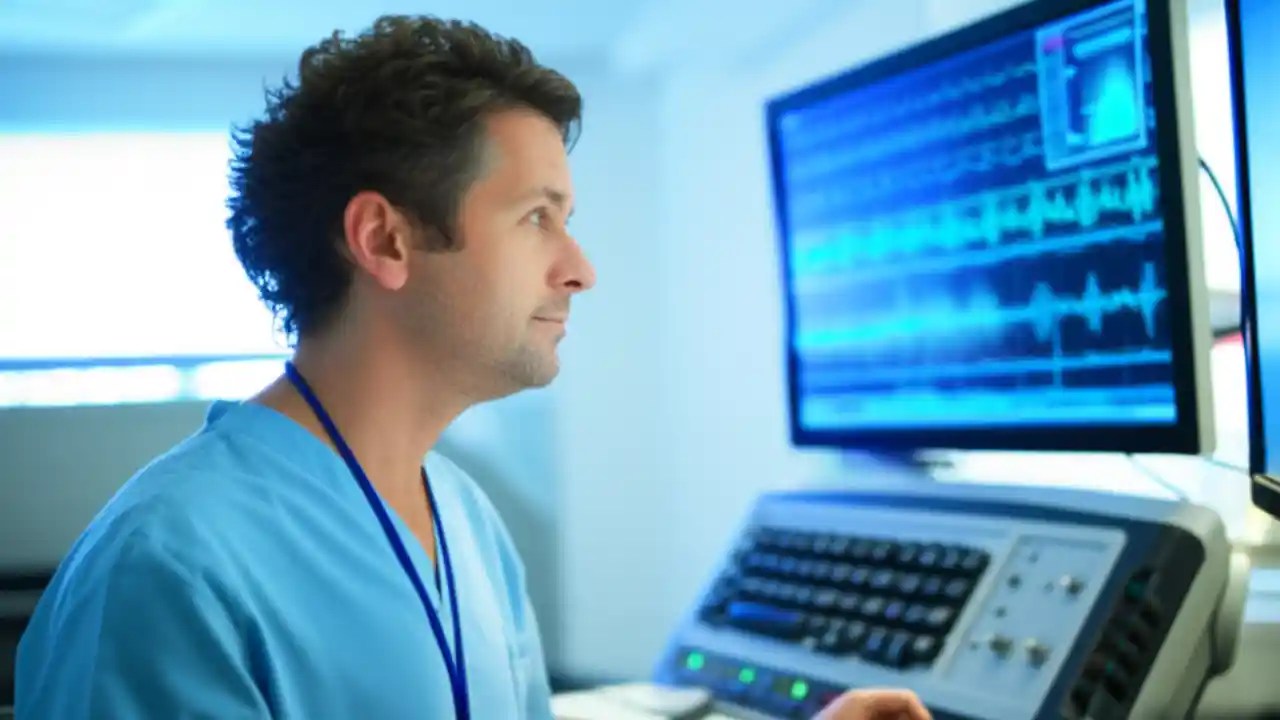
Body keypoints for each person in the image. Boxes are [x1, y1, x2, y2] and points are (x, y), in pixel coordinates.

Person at [14, 15, 929, 720]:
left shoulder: (467, 522)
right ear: (386, 239)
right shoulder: (167, 569)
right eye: (537, 216)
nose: (580, 266)